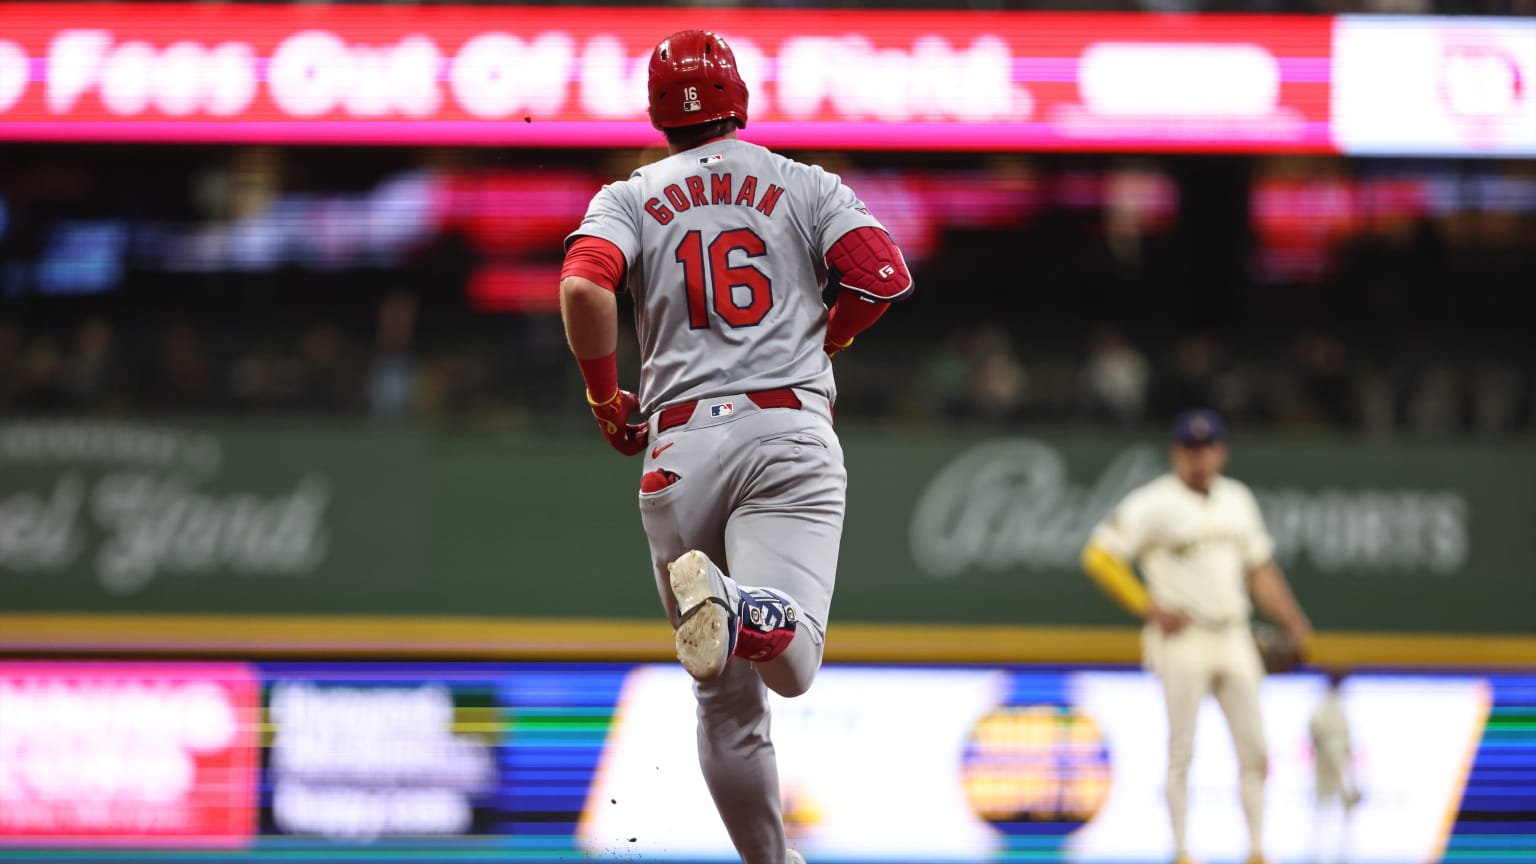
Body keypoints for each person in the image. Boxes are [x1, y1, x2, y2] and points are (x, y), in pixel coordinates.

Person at [557, 30, 912, 864]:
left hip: (679, 446)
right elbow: (884, 273)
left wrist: (607, 396)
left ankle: (769, 861)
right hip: (785, 427)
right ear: (739, 100)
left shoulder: (630, 196)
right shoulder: (800, 181)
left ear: (656, 114)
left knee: (723, 700)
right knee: (790, 664)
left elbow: (583, 284)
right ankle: (741, 602)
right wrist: (833, 334)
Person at [1079, 409, 1312, 864]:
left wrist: (1295, 623)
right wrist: (1147, 606)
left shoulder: (1237, 499)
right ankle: (1182, 852)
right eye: (1190, 447)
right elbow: (1099, 555)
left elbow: (1260, 570)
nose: (1199, 456)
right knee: (1182, 750)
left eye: (1207, 447)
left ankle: (1257, 850)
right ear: (1176, 453)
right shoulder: (1153, 502)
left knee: (1256, 750)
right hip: (1184, 636)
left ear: (1221, 452)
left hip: (1234, 632)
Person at [1309, 669, 1361, 864]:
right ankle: (1315, 857)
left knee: (1342, 818)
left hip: (1340, 773)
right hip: (1326, 772)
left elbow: (1346, 747)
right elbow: (1322, 738)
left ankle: (1342, 857)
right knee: (1321, 815)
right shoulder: (1325, 708)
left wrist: (1352, 780)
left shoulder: (1339, 708)